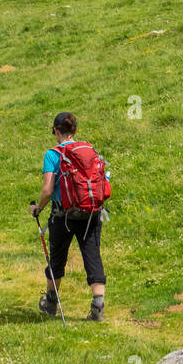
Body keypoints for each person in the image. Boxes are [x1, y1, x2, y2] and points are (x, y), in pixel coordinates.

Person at [32, 112, 108, 322]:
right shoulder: (88, 150)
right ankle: (98, 307)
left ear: (56, 131)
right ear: (74, 130)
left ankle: (50, 303)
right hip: (91, 213)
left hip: (62, 215)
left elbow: (48, 190)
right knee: (92, 256)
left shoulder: (52, 154)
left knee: (56, 259)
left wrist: (37, 209)